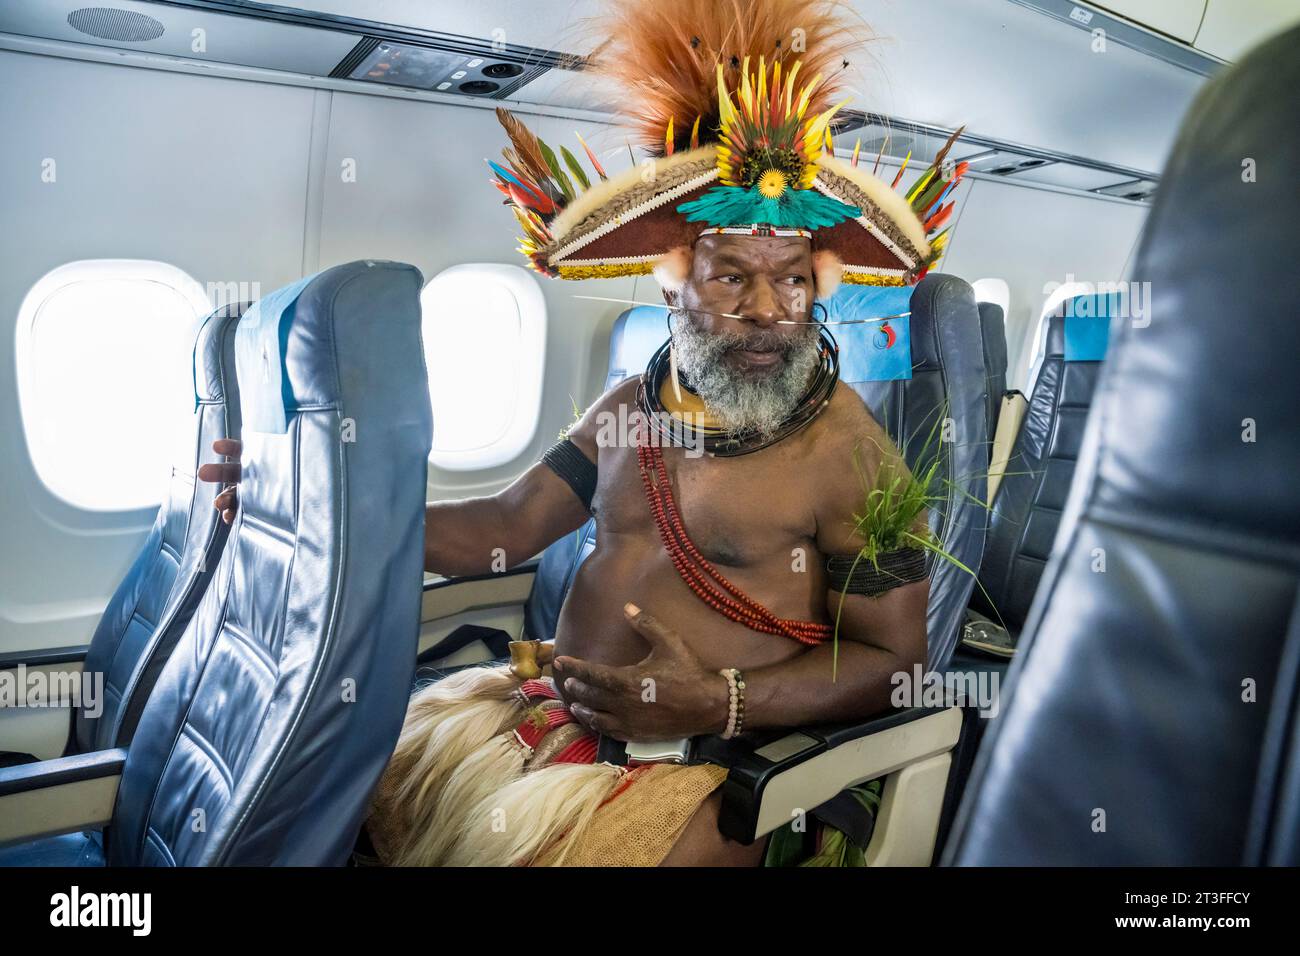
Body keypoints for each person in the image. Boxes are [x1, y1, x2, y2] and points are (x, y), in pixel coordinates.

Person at [201, 0, 965, 866]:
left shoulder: (852, 454)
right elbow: (502, 529)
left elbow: (897, 664)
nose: (765, 310)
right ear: (673, 285)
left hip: (714, 765)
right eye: (730, 279)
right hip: (551, 721)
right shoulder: (632, 409)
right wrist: (314, 504)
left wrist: (719, 703)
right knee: (346, 803)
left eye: (792, 281)